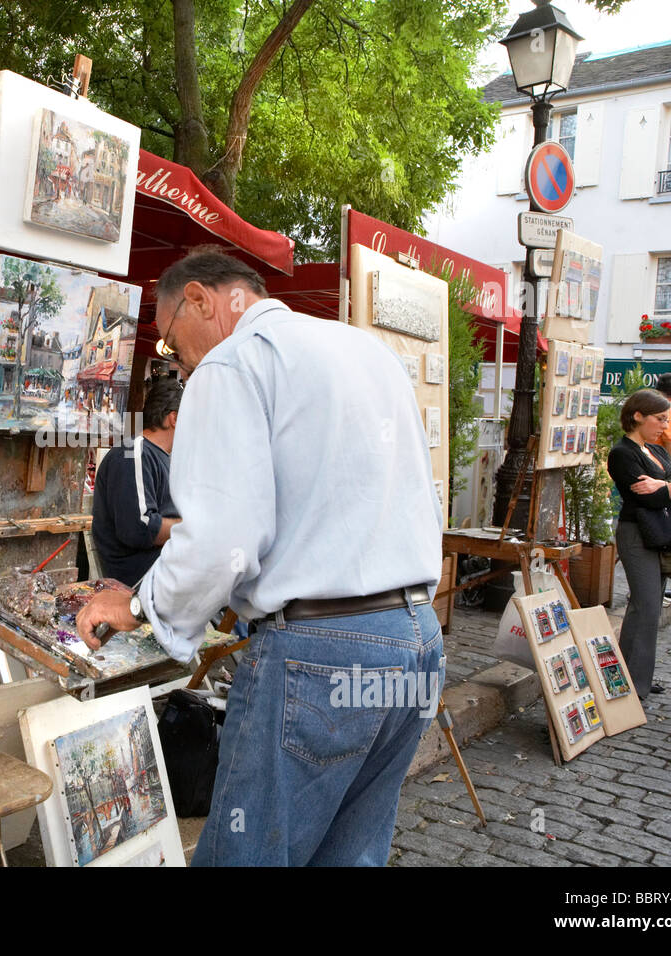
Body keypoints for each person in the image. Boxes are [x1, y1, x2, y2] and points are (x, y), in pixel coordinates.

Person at [74, 249, 445, 866]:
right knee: (350, 854)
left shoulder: (233, 361)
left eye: (171, 342)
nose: (178, 361)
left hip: (321, 650)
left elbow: (224, 537)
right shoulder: (368, 352)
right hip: (414, 638)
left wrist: (137, 605)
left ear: (200, 299)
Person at [605, 389, 671, 698]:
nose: (665, 426)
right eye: (660, 419)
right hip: (637, 533)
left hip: (661, 534)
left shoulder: (657, 450)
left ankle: (634, 676)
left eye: (667, 419)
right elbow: (653, 498)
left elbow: (668, 488)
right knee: (647, 604)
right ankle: (633, 683)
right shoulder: (622, 453)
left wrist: (667, 483)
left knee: (647, 607)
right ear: (638, 415)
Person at [91, 378, 183, 584]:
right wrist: (191, 529)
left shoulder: (162, 457)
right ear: (174, 418)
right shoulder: (133, 453)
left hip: (166, 573)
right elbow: (140, 528)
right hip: (142, 579)